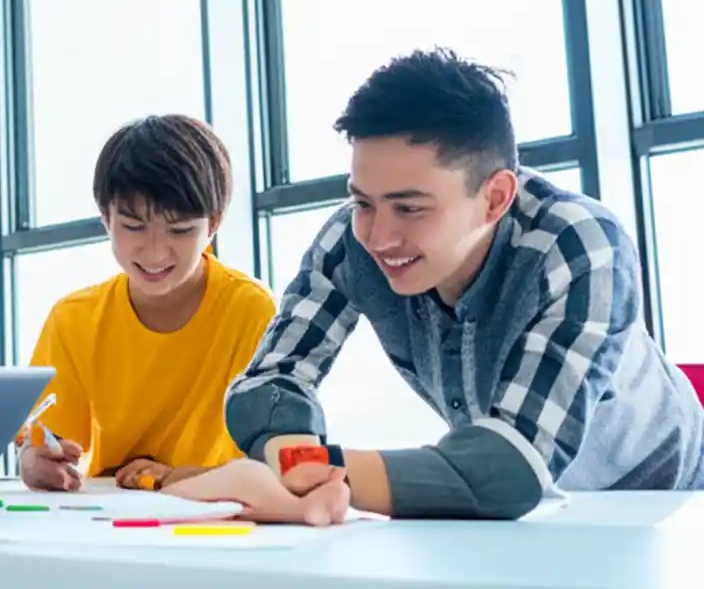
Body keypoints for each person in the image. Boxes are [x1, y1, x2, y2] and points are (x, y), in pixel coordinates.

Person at [167, 48, 704, 520]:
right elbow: (270, 381)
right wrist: (299, 471)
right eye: (363, 201)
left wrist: (313, 471)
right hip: (537, 518)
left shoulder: (580, 245)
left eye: (410, 207)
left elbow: (511, 468)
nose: (378, 235)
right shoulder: (350, 239)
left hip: (671, 506)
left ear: (494, 198)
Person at [18, 114, 345, 522]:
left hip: (223, 518)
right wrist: (35, 464)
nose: (155, 253)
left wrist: (187, 477)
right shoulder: (74, 319)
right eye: (133, 227)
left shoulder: (250, 310)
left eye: (181, 231)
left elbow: (281, 467)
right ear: (106, 219)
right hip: (114, 519)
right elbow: (45, 446)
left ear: (215, 224)